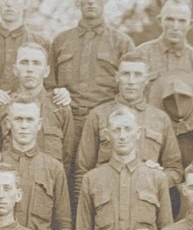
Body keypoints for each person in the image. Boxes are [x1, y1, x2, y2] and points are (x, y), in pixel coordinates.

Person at [73, 105, 173, 230]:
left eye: (127, 129)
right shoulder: (93, 179)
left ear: (138, 133)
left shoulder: (156, 178)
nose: (122, 135)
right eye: (116, 130)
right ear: (107, 135)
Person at [0, 99, 70, 230]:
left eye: (29, 120)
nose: (24, 126)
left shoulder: (54, 168)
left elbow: (63, 225)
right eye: (18, 119)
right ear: (8, 123)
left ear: (39, 124)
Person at [74, 51, 183, 187]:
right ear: (117, 77)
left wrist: (157, 178)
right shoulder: (98, 115)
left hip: (146, 197)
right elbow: (83, 170)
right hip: (106, 195)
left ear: (147, 79)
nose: (131, 81)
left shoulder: (160, 119)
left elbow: (175, 170)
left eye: (137, 75)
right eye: (126, 74)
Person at [49, 0, 134, 137]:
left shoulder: (121, 43)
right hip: (66, 122)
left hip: (106, 125)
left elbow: (132, 90)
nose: (90, 0)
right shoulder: (61, 41)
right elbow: (48, 86)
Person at [135, 0, 193, 168]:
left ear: (190, 24)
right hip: (146, 138)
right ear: (160, 20)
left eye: (182, 21)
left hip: (184, 142)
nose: (175, 26)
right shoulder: (141, 55)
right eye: (170, 19)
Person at [0, 40, 74, 171]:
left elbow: (68, 157)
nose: (30, 69)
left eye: (36, 63)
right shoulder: (1, 106)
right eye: (24, 62)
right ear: (15, 70)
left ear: (46, 71)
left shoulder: (60, 107)